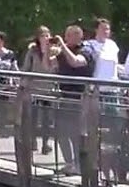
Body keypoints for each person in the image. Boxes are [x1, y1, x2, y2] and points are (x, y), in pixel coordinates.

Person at [51, 24, 95, 175]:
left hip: (81, 98)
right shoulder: (63, 52)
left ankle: (79, 165)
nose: (66, 38)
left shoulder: (86, 50)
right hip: (65, 97)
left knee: (77, 133)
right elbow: (48, 65)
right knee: (61, 132)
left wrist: (62, 46)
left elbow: (76, 62)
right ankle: (69, 163)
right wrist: (45, 49)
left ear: (78, 36)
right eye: (65, 35)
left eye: (69, 35)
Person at [21, 26, 57, 155]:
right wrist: (23, 84)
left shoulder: (54, 50)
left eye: (48, 35)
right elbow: (26, 67)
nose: (46, 38)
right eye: (43, 35)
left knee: (47, 119)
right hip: (34, 88)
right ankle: (33, 141)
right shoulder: (33, 51)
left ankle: (45, 143)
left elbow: (55, 68)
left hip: (48, 89)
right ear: (38, 37)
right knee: (34, 117)